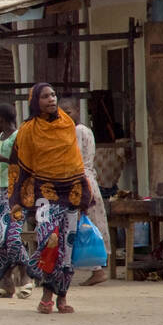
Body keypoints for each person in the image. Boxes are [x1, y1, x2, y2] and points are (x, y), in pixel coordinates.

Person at [6, 83, 92, 313]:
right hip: (46, 194)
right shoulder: (28, 130)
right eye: (45, 96)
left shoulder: (66, 123)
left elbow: (76, 162)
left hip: (71, 194)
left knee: (67, 248)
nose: (51, 99)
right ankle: (44, 288)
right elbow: (19, 166)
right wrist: (15, 197)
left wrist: (85, 195)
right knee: (48, 240)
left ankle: (59, 298)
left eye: (53, 95)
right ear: (35, 101)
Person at [0, 104, 30, 298]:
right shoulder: (0, 138)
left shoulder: (18, 136)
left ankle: (27, 278)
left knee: (11, 236)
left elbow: (23, 163)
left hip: (16, 193)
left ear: (1, 119)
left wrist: (1, 158)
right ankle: (7, 284)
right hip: (0, 193)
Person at [61, 98, 110, 285]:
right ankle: (94, 267)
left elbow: (76, 159)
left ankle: (97, 269)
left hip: (81, 181)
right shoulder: (82, 130)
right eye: (62, 113)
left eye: (69, 111)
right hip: (85, 179)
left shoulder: (78, 131)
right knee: (87, 225)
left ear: (77, 111)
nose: (65, 115)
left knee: (84, 225)